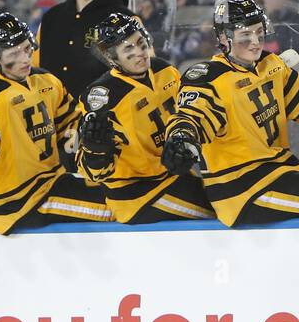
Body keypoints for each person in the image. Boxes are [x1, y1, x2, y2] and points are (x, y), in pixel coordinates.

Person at [161, 0, 299, 226]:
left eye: (259, 33)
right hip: (242, 191)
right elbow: (191, 117)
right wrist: (181, 137)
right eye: (245, 36)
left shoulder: (271, 65)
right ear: (223, 38)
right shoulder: (206, 77)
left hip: (280, 175)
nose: (255, 42)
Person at [0, 12, 112, 235]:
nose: (25, 58)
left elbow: (70, 125)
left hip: (50, 183)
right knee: (114, 206)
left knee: (117, 190)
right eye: (14, 52)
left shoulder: (46, 81)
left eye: (27, 48)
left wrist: (91, 135)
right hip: (16, 201)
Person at [76, 12, 214, 224]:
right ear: (112, 57)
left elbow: (186, 116)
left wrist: (183, 145)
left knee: (222, 195)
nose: (140, 53)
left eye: (141, 43)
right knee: (215, 210)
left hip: (173, 178)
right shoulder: (102, 98)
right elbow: (92, 172)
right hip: (138, 194)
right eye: (128, 49)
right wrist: (97, 151)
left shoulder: (165, 71)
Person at [35, 0, 132, 98]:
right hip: (55, 118)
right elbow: (33, 72)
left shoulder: (125, 19)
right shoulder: (50, 19)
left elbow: (145, 72)